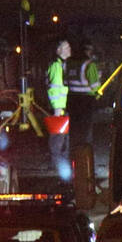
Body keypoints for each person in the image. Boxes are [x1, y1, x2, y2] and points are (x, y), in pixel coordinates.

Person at [67, 40, 104, 146]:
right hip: (86, 100)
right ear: (88, 51)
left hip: (72, 98)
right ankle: (85, 149)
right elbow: (94, 85)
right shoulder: (89, 64)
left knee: (74, 126)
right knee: (86, 126)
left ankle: (73, 146)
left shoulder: (70, 63)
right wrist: (98, 86)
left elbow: (65, 81)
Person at [45, 38, 72, 179]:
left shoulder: (63, 65)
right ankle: (55, 164)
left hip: (64, 106)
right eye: (65, 47)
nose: (69, 49)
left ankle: (63, 164)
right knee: (57, 139)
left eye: (69, 47)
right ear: (58, 51)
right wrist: (57, 108)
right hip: (59, 108)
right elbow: (54, 89)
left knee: (64, 138)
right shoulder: (57, 66)